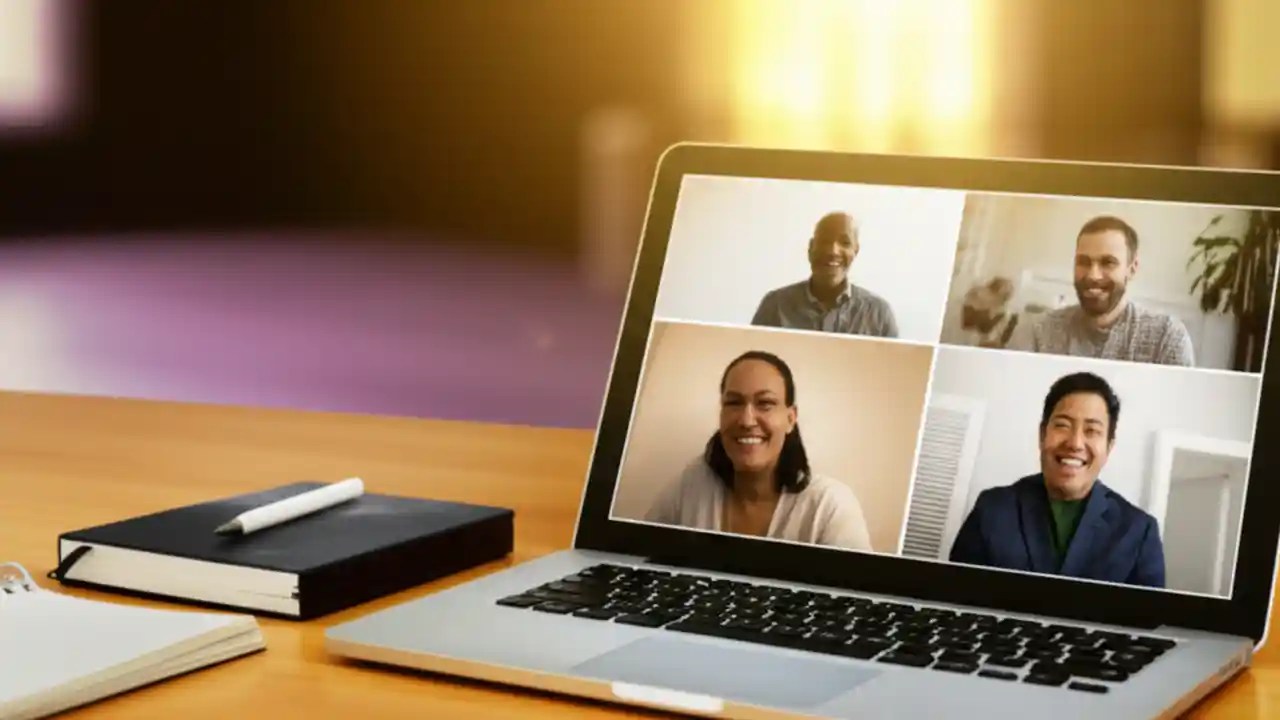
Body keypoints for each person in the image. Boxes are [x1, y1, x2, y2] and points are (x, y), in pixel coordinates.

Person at [948, 371, 1166, 588]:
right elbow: (954, 595)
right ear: (1042, 435)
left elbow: (1147, 619)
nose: (1075, 443)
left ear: (1109, 447)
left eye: (1092, 430)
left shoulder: (1139, 531)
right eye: (1063, 425)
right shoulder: (993, 508)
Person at [645, 350, 873, 550]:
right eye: (733, 403)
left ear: (790, 418)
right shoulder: (694, 481)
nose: (746, 420)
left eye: (765, 403)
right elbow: (639, 549)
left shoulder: (830, 506)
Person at [1009, 215, 1194, 366]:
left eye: (1108, 263)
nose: (1093, 275)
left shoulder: (1167, 337)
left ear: (1132, 268)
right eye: (1083, 262)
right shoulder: (1035, 332)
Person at [751, 212, 898, 337]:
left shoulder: (878, 314)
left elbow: (894, 369)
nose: (833, 251)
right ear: (810, 248)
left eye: (845, 243)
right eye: (824, 241)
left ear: (855, 251)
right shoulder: (774, 306)